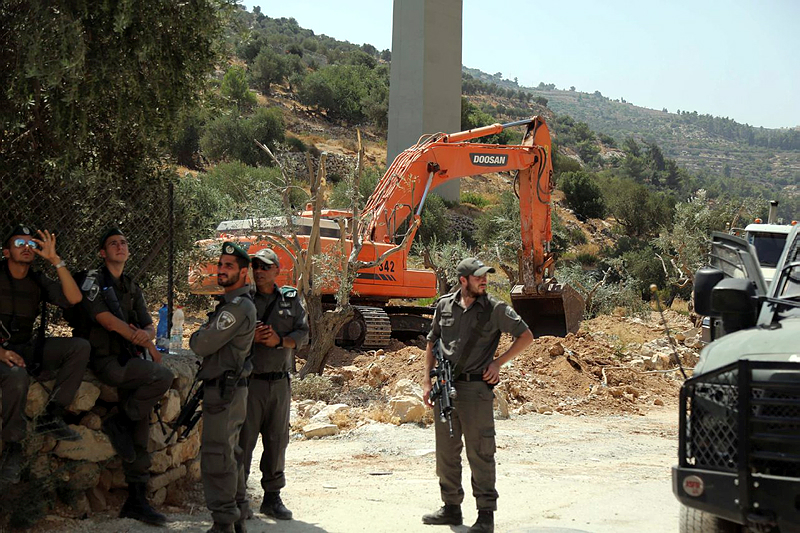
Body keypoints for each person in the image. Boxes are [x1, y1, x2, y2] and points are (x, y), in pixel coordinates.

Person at [421, 257, 534, 533]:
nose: (485, 281)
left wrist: (498, 363)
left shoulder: (494, 308)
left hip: (475, 391)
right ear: (463, 280)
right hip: (445, 387)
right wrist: (426, 380)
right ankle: (451, 508)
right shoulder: (445, 305)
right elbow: (432, 340)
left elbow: (526, 336)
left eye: (486, 276)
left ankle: (485, 515)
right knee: (446, 452)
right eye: (479, 277)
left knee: (480, 452)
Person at [73, 228, 173, 526]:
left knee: (139, 428)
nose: (120, 246)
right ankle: (118, 420)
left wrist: (146, 337)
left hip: (129, 360)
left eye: (124, 242)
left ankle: (137, 499)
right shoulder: (93, 281)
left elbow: (148, 325)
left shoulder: (131, 284)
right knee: (162, 376)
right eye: (113, 244)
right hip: (105, 361)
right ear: (103, 253)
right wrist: (144, 342)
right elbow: (108, 322)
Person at [0, 224, 90, 484]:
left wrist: (55, 260)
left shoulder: (38, 279)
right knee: (16, 376)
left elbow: (73, 298)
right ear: (6, 252)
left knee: (80, 347)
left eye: (31, 244)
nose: (27, 247)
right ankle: (13, 448)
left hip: (26, 348)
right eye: (19, 244)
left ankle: (52, 416)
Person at [237, 248, 309, 521]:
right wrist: (250, 337)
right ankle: (238, 497)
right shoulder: (243, 300)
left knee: (277, 441)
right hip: (250, 382)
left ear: (277, 270)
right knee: (243, 441)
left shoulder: (290, 300)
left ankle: (272, 498)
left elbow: (302, 334)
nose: (259, 271)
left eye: (265, 266)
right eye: (255, 266)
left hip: (279, 383)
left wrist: (278, 340)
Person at [190, 242, 257, 533]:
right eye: (220, 265)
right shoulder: (231, 304)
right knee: (231, 453)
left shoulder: (238, 307)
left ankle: (224, 521)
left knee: (218, 454)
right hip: (228, 389)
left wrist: (197, 335)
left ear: (244, 273)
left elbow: (202, 344)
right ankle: (237, 515)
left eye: (229, 266)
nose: (222, 270)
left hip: (225, 391)